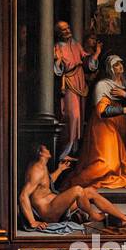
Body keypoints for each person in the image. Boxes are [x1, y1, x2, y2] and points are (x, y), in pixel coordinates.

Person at [65, 54, 126, 191]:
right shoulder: (102, 85)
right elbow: (102, 111)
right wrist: (125, 109)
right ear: (110, 68)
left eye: (120, 63)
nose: (120, 66)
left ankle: (121, 167)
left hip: (119, 124)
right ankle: (78, 181)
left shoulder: (121, 84)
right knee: (107, 165)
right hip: (103, 125)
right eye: (116, 64)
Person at [20, 145, 126, 230]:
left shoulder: (42, 166)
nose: (48, 149)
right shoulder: (36, 170)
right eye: (46, 148)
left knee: (90, 191)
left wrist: (60, 170)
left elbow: (46, 182)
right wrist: (33, 222)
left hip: (54, 205)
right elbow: (23, 195)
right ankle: (92, 214)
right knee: (78, 190)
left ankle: (124, 218)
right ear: (40, 153)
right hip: (49, 212)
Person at [52, 21, 100, 161]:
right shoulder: (57, 47)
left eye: (68, 28)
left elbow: (86, 61)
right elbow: (57, 69)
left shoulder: (75, 44)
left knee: (80, 118)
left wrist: (96, 54)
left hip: (80, 82)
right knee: (73, 116)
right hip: (69, 83)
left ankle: (74, 151)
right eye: (63, 29)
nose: (67, 31)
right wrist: (58, 61)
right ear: (58, 33)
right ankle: (64, 153)